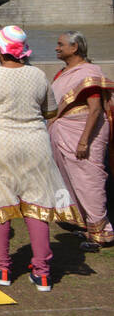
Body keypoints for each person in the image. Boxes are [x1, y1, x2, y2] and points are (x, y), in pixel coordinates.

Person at [0, 25, 81, 291]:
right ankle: (42, 273)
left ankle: (3, 269)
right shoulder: (38, 75)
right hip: (34, 144)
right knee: (37, 204)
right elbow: (51, 111)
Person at [48, 31, 114, 251]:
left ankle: (102, 232)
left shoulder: (88, 73)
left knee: (89, 181)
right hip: (65, 130)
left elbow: (95, 110)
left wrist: (84, 141)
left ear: (74, 47)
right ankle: (88, 225)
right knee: (73, 179)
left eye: (60, 44)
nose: (57, 48)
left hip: (83, 133)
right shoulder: (64, 73)